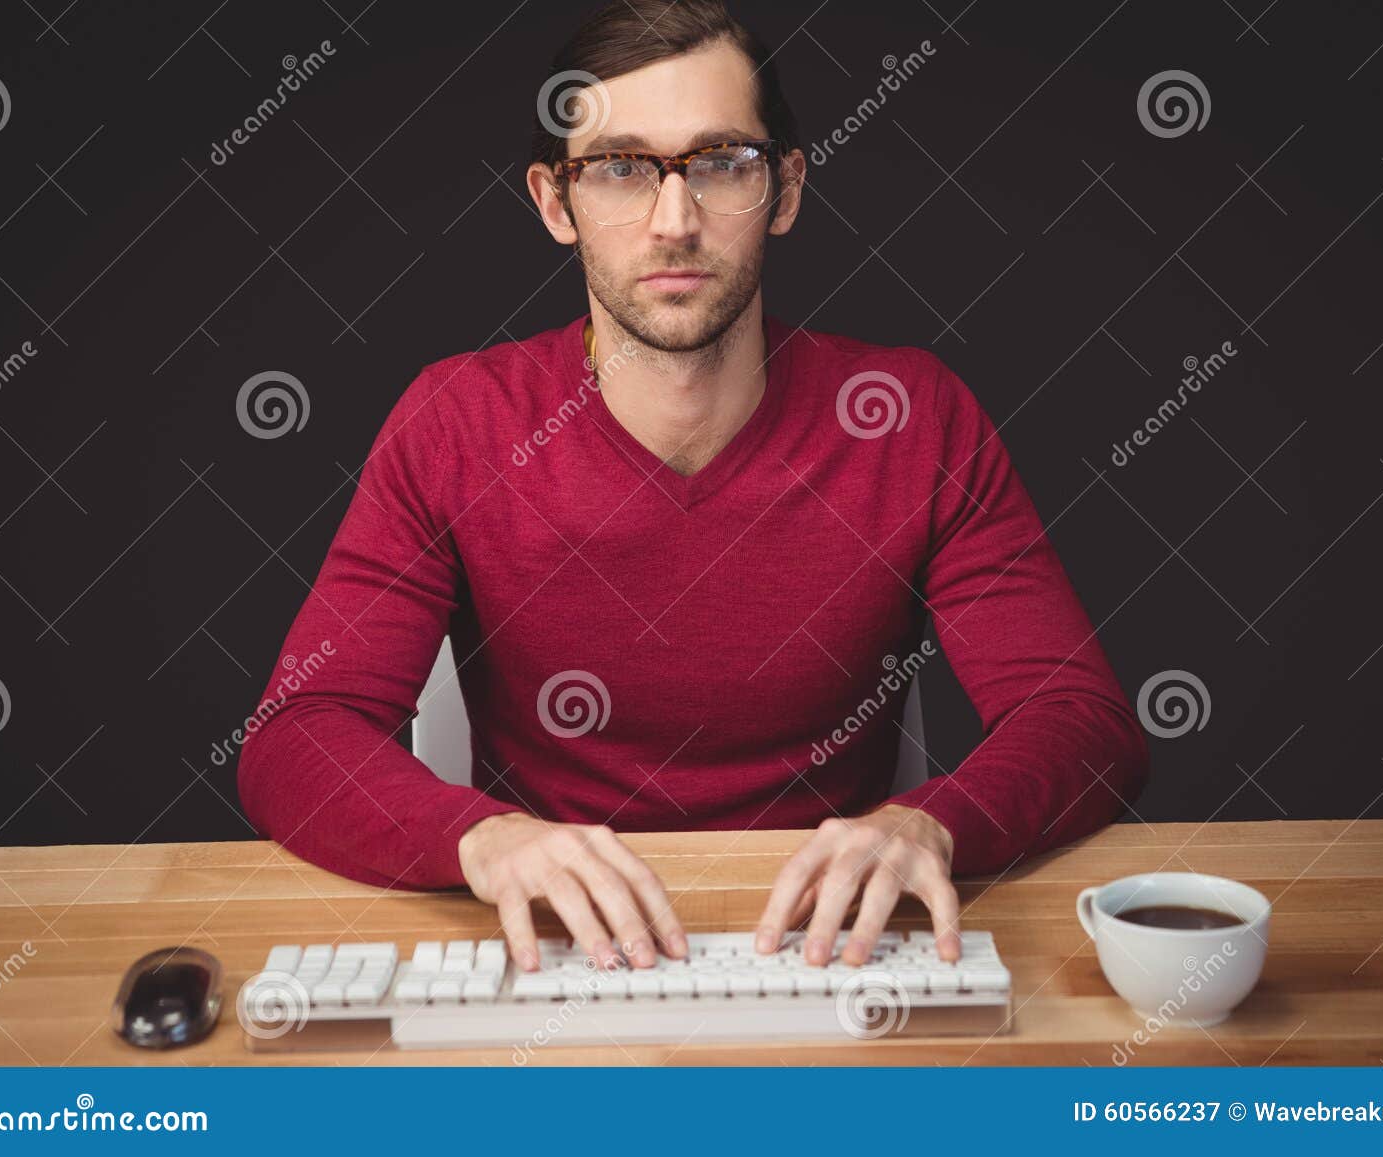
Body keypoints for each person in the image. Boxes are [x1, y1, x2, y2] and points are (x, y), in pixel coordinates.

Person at [237, 0, 1147, 974]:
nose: (674, 221)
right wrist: (483, 837)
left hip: (835, 952)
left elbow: (1082, 721)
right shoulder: (454, 422)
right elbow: (297, 733)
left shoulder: (911, 415)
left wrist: (931, 825)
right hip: (556, 953)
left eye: (721, 163)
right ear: (556, 203)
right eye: (622, 168)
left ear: (786, 188)